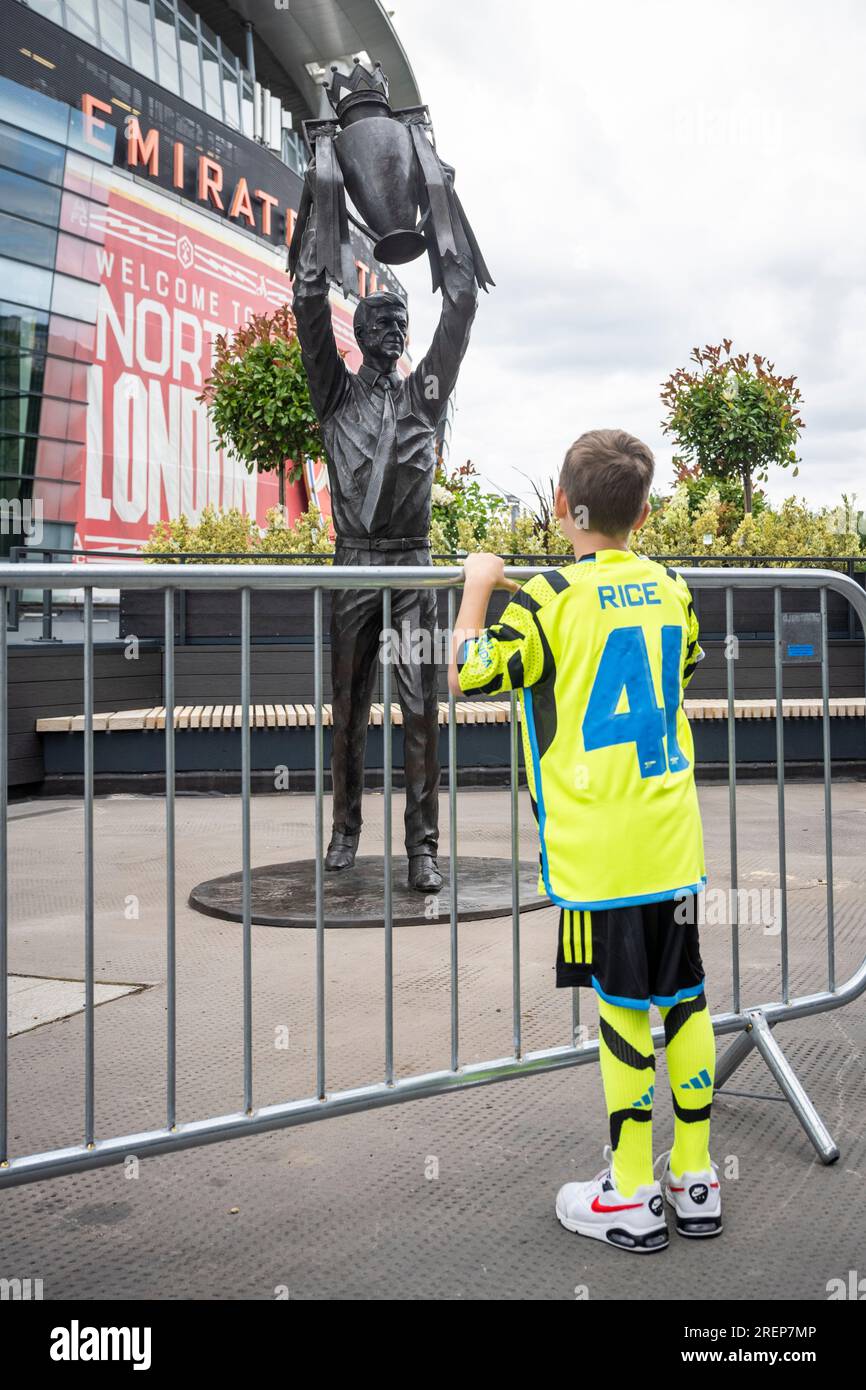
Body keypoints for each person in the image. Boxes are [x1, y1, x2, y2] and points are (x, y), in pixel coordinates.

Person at [447, 429, 721, 1253]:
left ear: (564, 508)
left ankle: (632, 1191)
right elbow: (688, 665)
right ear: (644, 511)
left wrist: (478, 586)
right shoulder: (672, 585)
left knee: (623, 1006)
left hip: (599, 851)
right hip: (672, 836)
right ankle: (697, 1177)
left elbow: (470, 670)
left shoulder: (548, 596)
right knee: (687, 995)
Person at [292, 184, 478, 893]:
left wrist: (438, 195)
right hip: (352, 571)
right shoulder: (333, 395)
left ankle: (422, 847)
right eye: (386, 321)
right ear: (362, 332)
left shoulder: (426, 394)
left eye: (404, 321)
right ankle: (344, 829)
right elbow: (309, 295)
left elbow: (460, 304)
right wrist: (322, 189)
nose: (399, 330)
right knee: (347, 710)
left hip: (415, 572)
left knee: (422, 709)